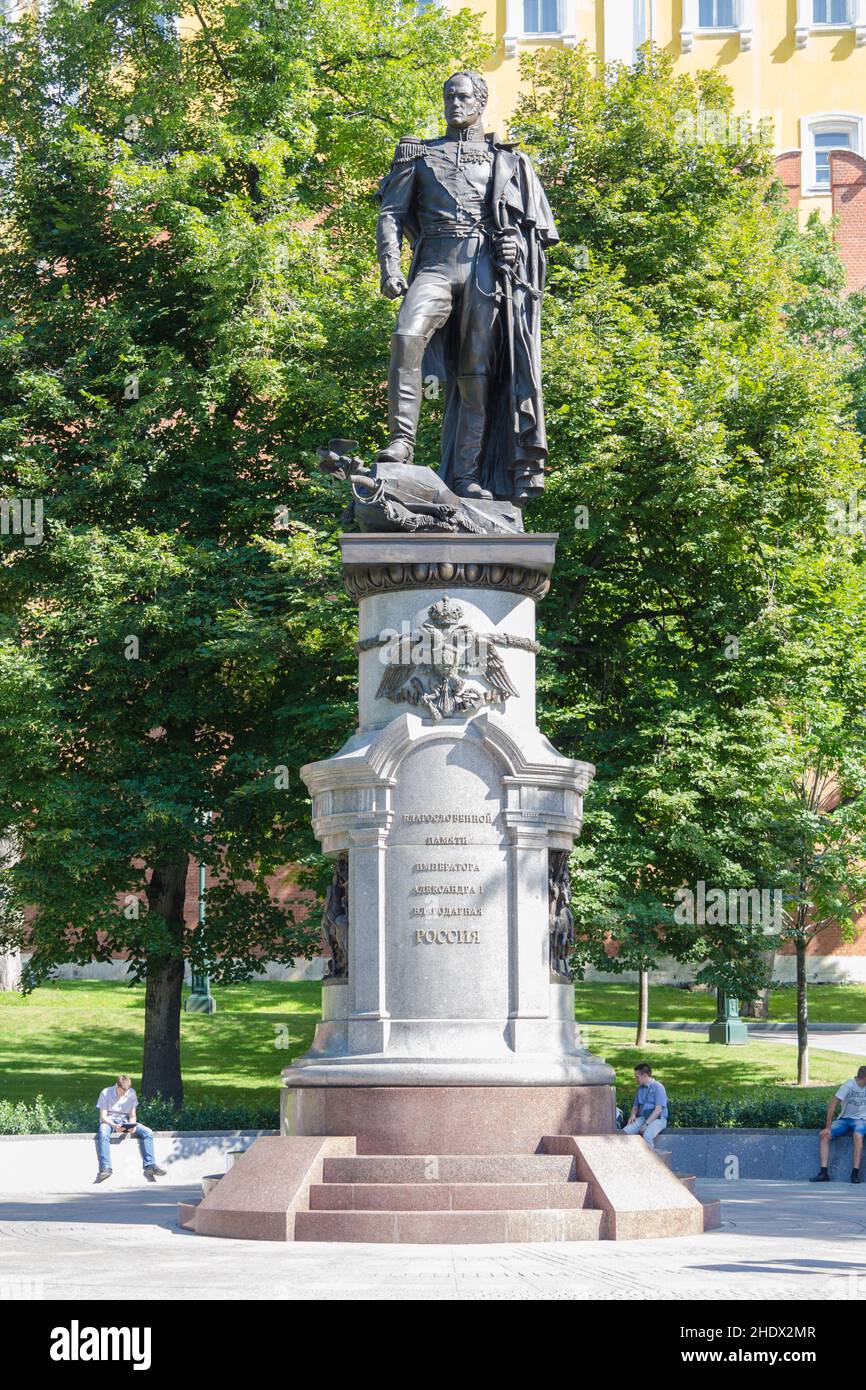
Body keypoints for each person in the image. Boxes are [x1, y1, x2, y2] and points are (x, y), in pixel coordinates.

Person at [375, 71, 558, 505]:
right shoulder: (418, 155)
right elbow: (390, 214)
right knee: (406, 336)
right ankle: (401, 443)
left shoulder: (506, 160)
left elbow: (531, 230)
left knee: (475, 377)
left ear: (481, 103)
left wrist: (514, 240)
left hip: (483, 271)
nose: (454, 103)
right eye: (448, 96)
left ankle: (466, 477)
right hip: (436, 263)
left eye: (463, 97)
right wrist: (390, 267)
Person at [95, 1074, 166, 1183]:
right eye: (122, 1091)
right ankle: (106, 1167)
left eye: (126, 1092)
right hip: (109, 1120)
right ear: (116, 1086)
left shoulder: (131, 1093)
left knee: (147, 1132)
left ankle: (150, 1166)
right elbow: (103, 1117)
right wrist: (114, 1126)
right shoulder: (106, 1092)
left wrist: (131, 1125)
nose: (124, 1094)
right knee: (103, 1132)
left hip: (124, 1120)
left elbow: (132, 1115)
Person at [810, 1065, 866, 1184]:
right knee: (824, 1136)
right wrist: (828, 1127)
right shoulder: (849, 1085)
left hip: (862, 1120)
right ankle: (824, 1173)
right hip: (844, 1120)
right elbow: (832, 1105)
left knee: (858, 1136)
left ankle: (855, 1174)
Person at [623, 1063, 669, 1149]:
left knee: (647, 1135)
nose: (635, 1079)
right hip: (643, 1118)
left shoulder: (658, 1087)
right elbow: (635, 1107)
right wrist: (632, 1115)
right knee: (625, 1132)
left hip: (658, 1119)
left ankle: (651, 1160)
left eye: (637, 1077)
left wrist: (646, 1124)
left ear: (644, 1076)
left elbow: (658, 1110)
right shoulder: (639, 1089)